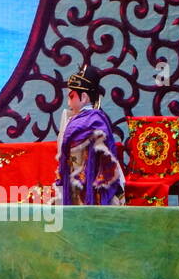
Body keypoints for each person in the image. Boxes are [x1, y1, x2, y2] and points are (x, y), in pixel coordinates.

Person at [53, 64, 125, 205]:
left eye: (71, 96)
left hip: (91, 180)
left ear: (84, 97)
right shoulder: (92, 119)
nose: (68, 101)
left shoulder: (91, 121)